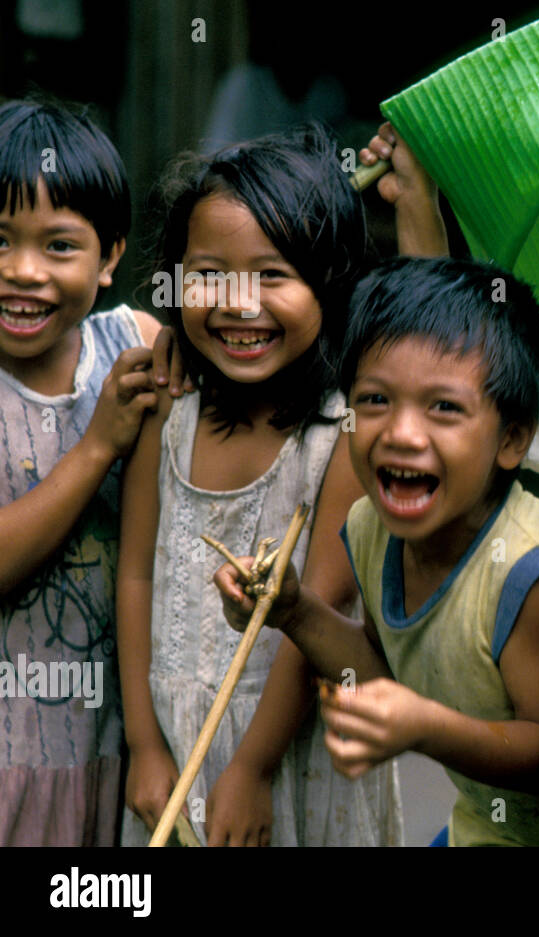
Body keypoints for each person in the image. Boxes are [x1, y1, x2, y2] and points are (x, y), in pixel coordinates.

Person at [215, 255, 539, 847]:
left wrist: (425, 728)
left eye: (445, 408)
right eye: (375, 400)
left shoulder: (527, 570)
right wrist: (294, 611)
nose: (402, 433)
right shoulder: (371, 528)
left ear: (512, 438)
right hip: (477, 827)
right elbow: (380, 671)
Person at [118, 125, 400, 846]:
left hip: (289, 759)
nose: (240, 304)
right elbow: (136, 574)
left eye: (274, 276)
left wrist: (252, 767)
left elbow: (317, 619)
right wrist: (147, 744)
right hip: (174, 747)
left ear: (331, 283)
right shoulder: (168, 412)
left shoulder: (340, 438)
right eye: (211, 274)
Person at [0, 97, 161, 845]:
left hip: (110, 758)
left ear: (111, 258)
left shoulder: (133, 345)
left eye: (58, 245)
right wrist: (97, 447)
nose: (22, 272)